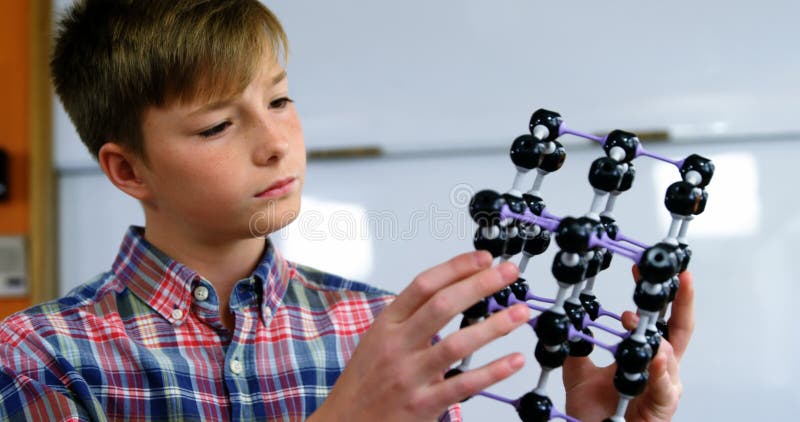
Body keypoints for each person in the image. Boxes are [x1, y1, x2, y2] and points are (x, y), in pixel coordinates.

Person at [0, 0, 694, 421]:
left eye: (278, 100)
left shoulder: (381, 329)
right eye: (217, 126)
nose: (276, 144)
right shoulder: (40, 360)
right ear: (127, 170)